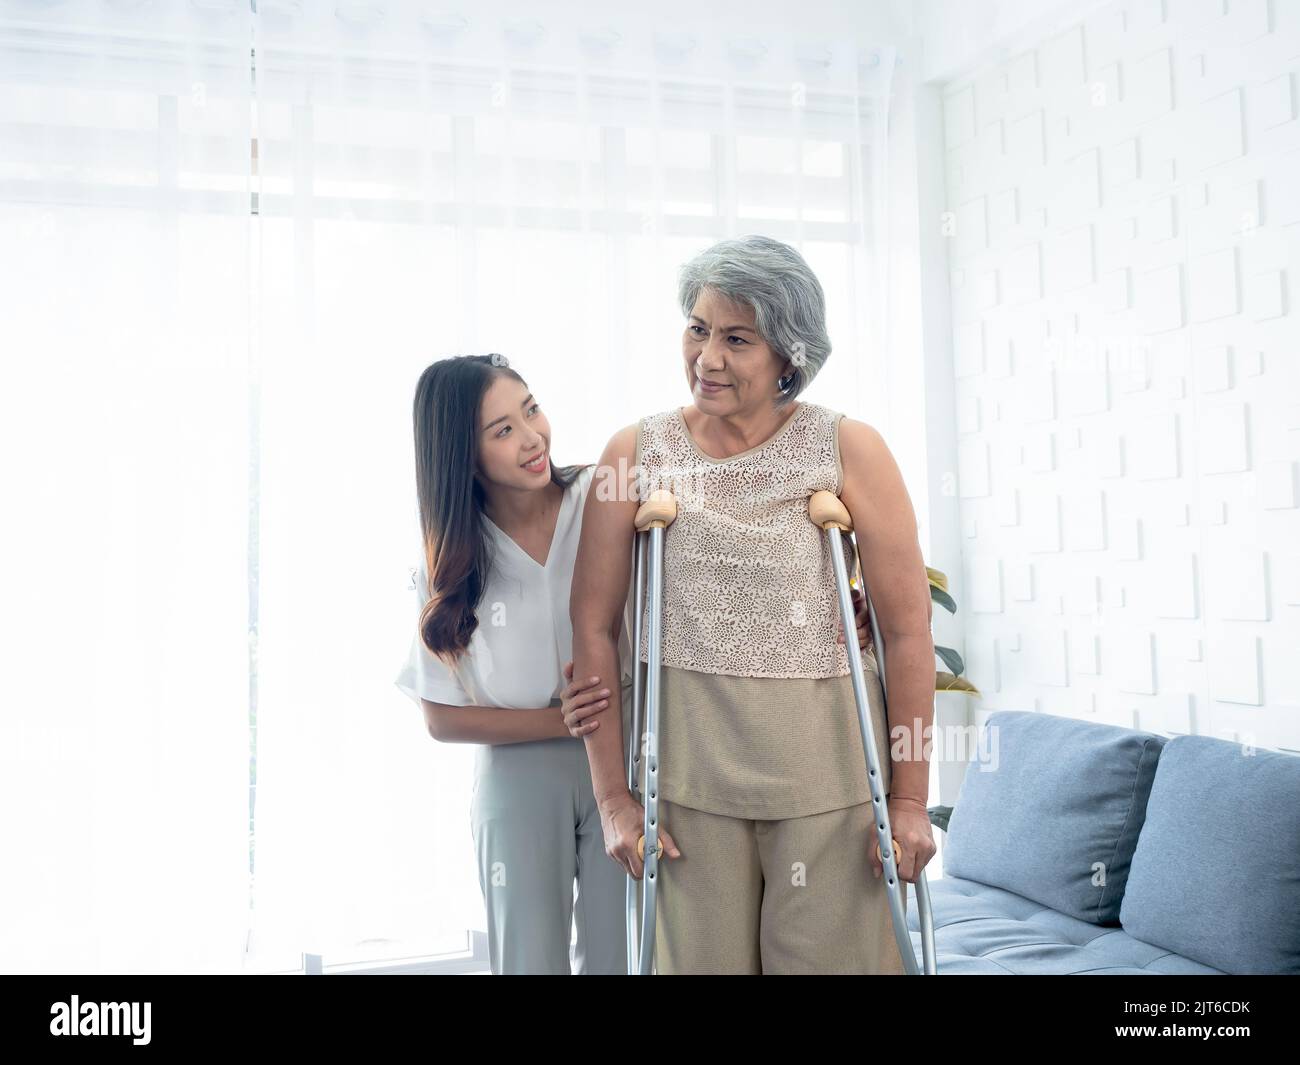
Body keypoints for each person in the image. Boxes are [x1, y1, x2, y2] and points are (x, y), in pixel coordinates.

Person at [394, 352, 882, 974]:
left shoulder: (606, 493)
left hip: (628, 761)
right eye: (503, 430)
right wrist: (570, 720)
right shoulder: (451, 561)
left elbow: (718, 565)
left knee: (625, 953)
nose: (532, 437)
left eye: (531, 410)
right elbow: (440, 717)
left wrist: (831, 611)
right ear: (460, 454)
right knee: (527, 959)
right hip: (518, 776)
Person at [569, 234, 938, 974]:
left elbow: (905, 631)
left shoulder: (849, 447)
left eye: (737, 338)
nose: (708, 358)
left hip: (831, 784)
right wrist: (613, 796)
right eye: (698, 328)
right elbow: (592, 626)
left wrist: (909, 800)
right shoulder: (635, 453)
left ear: (788, 355)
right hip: (687, 785)